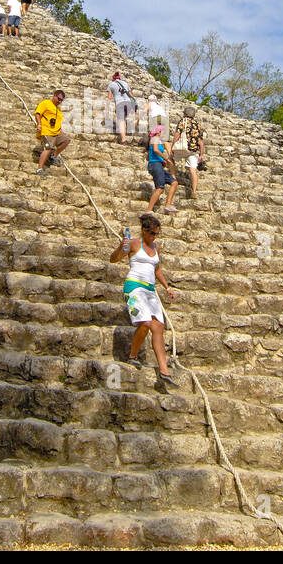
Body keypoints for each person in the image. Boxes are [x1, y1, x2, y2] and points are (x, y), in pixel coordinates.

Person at [109, 213, 178, 386]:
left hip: (150, 290)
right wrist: (120, 247)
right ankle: (132, 356)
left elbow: (157, 270)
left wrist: (167, 288)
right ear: (144, 231)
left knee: (158, 327)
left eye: (157, 233)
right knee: (145, 323)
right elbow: (114, 259)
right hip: (134, 287)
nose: (155, 237)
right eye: (153, 233)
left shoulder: (156, 248)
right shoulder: (133, 243)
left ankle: (164, 370)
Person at [34, 89, 70, 174]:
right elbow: (37, 114)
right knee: (48, 148)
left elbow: (57, 122)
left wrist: (61, 131)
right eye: (59, 99)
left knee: (66, 140)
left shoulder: (58, 110)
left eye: (61, 100)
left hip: (56, 132)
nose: (60, 101)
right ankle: (39, 168)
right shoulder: (45, 103)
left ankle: (53, 156)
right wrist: (39, 124)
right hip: (46, 131)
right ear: (54, 96)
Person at [172, 106, 205, 197]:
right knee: (192, 169)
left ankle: (173, 179)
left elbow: (177, 134)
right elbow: (201, 141)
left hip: (182, 148)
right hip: (194, 150)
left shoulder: (183, 122)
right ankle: (194, 191)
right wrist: (201, 154)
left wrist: (172, 146)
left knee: (171, 160)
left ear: (185, 114)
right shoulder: (198, 125)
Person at [146, 125, 178, 213]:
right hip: (155, 165)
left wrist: (161, 160)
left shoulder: (155, 140)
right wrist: (166, 159)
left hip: (157, 164)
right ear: (159, 132)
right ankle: (148, 210)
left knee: (174, 182)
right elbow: (156, 150)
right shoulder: (155, 139)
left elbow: (148, 156)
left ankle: (168, 205)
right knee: (160, 188)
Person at [107, 72, 136, 144]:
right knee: (124, 119)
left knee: (121, 121)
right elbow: (131, 95)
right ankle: (126, 133)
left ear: (113, 78)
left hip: (120, 103)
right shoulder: (125, 83)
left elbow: (109, 97)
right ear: (119, 78)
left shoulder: (111, 84)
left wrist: (107, 107)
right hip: (129, 103)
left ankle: (123, 139)